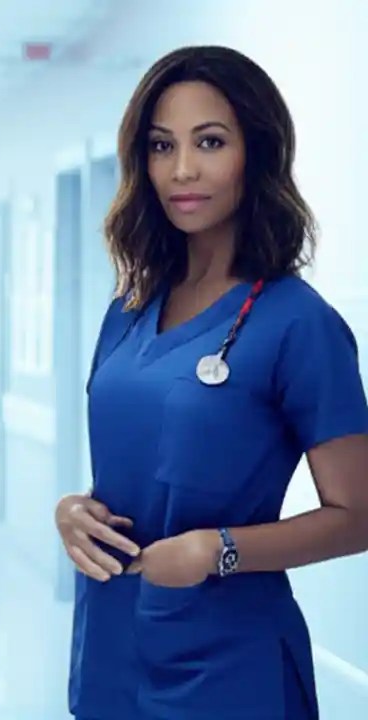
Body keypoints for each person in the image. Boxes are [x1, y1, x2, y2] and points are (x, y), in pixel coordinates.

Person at [57, 45, 368, 720]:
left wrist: (218, 550)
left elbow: (358, 515)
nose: (183, 170)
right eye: (162, 146)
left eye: (210, 142)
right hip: (111, 651)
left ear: (256, 153)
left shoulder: (299, 324)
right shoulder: (129, 311)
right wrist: (74, 512)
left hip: (231, 668)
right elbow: (135, 466)